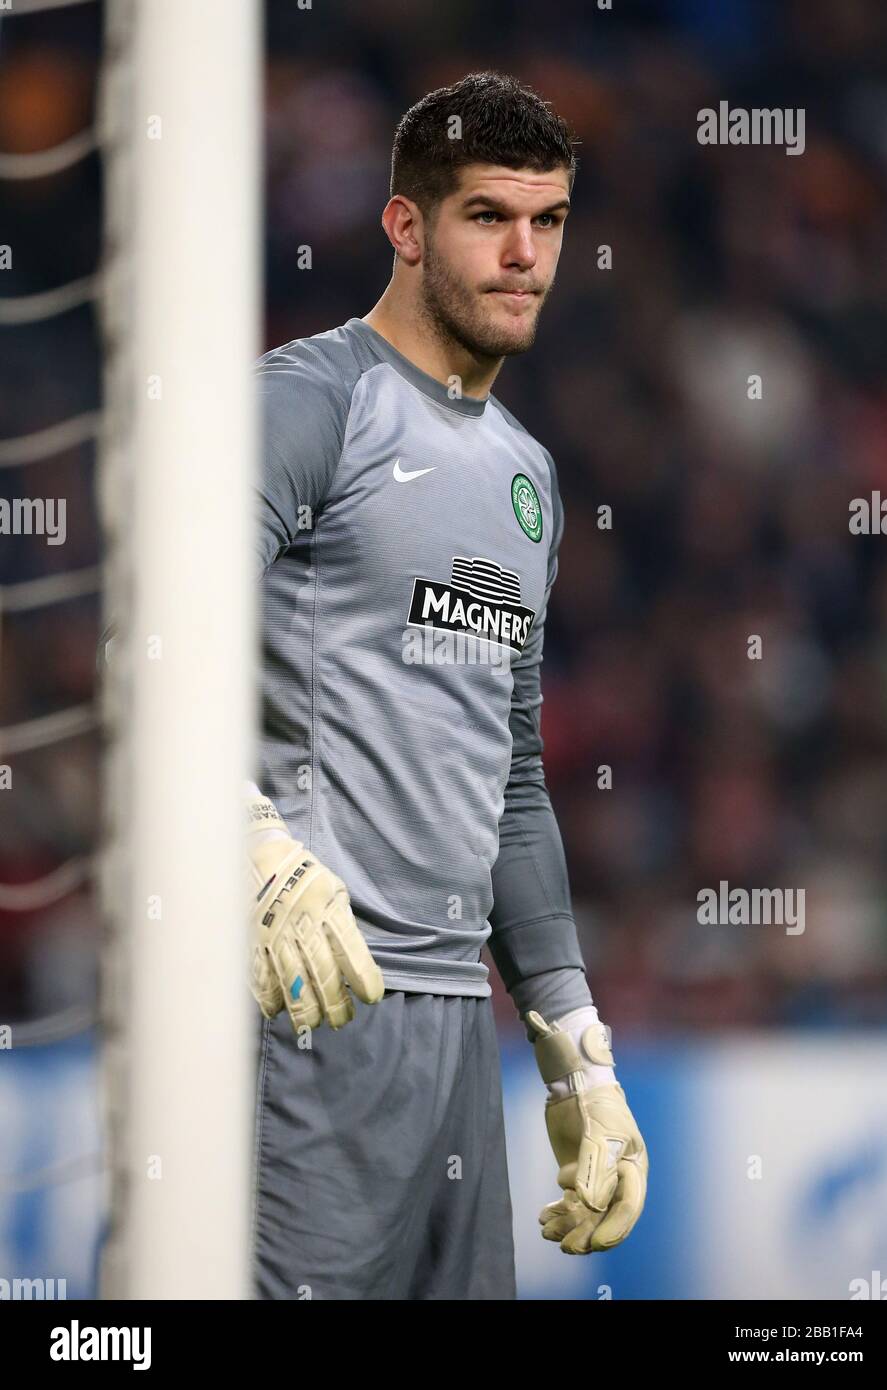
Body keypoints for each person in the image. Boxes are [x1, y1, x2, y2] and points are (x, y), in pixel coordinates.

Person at [247, 70, 647, 1301]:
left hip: (452, 1029)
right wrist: (240, 833)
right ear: (406, 227)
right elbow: (150, 639)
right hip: (292, 1005)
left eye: (550, 222)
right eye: (488, 216)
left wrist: (573, 1041)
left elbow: (512, 782)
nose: (525, 254)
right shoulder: (308, 404)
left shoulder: (527, 477)